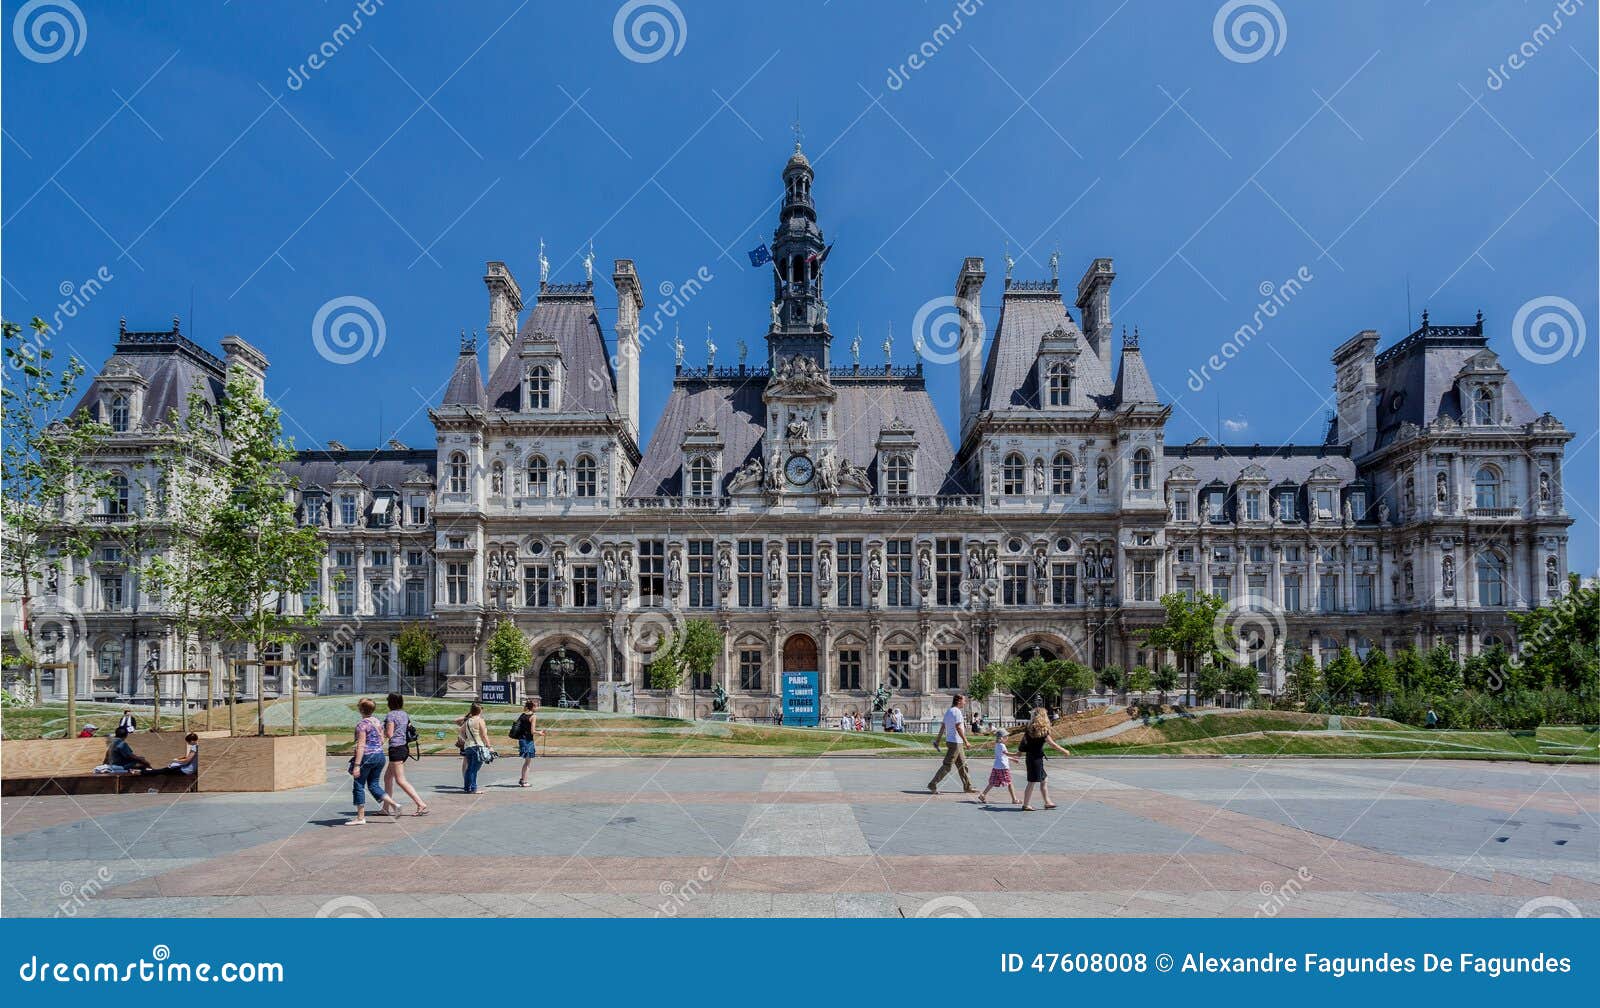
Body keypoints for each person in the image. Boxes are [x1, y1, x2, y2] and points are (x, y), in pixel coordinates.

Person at [349, 698, 399, 825]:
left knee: (359, 785)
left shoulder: (362, 725)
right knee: (373, 785)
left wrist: (356, 765)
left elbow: (361, 746)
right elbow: (382, 741)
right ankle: (393, 804)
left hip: (367, 757)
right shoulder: (377, 722)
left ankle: (360, 817)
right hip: (380, 756)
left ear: (360, 709)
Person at [381, 694, 428, 815]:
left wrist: (381, 730)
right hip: (404, 747)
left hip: (396, 748)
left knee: (400, 780)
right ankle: (385, 808)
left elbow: (390, 734)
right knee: (387, 778)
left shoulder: (391, 715)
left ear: (390, 703)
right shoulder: (404, 714)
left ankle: (420, 804)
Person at [1017, 710, 1072, 811]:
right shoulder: (1042, 731)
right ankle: (1026, 804)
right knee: (1032, 782)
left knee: (1044, 779)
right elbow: (1052, 744)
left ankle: (1047, 802)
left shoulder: (1029, 729)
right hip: (1036, 759)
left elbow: (1024, 743)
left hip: (1031, 758)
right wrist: (1064, 751)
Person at [927, 694, 976, 794]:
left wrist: (938, 740)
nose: (965, 702)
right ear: (958, 701)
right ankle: (932, 784)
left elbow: (943, 727)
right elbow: (958, 727)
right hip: (956, 742)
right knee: (947, 765)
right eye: (964, 700)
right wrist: (966, 741)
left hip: (953, 741)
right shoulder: (957, 712)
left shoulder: (949, 711)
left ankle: (968, 787)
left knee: (963, 765)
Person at [511, 698, 548, 788]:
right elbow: (532, 731)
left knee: (527, 762)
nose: (538, 708)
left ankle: (522, 779)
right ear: (533, 707)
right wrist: (540, 732)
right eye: (537, 706)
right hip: (528, 740)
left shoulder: (522, 715)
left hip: (521, 739)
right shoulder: (533, 716)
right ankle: (524, 781)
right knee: (527, 762)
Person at [978, 727, 1019, 805]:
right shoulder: (1002, 746)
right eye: (1006, 736)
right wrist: (1016, 754)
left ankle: (983, 795)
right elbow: (1006, 754)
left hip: (996, 767)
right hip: (1003, 767)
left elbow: (1002, 756)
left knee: (992, 782)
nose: (1007, 738)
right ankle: (1014, 799)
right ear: (1001, 738)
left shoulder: (997, 745)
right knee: (1010, 783)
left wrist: (1012, 759)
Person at [457, 703, 491, 794]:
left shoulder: (468, 721)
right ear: (479, 711)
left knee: (469, 768)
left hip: (468, 746)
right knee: (474, 769)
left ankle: (467, 787)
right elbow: (484, 735)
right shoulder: (480, 720)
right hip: (478, 746)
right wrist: (489, 747)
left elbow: (460, 731)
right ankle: (473, 788)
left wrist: (466, 739)